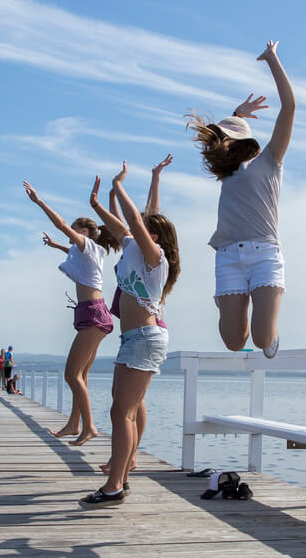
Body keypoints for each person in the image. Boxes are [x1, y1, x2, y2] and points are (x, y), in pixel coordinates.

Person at [80, 164, 180, 506]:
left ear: (154, 236)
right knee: (122, 409)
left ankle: (114, 485)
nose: (136, 229)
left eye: (143, 228)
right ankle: (120, 475)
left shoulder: (156, 257)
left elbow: (138, 221)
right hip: (133, 340)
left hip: (146, 339)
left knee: (122, 412)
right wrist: (97, 206)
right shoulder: (134, 249)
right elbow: (124, 224)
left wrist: (118, 185)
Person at [188, 39, 294, 358]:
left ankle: (270, 331)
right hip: (229, 255)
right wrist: (238, 113)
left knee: (261, 340)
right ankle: (248, 312)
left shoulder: (271, 160)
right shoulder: (226, 171)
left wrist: (272, 59)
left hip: (264, 253)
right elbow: (224, 136)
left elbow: (289, 107)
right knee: (234, 342)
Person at [25, 180, 120, 443]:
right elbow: (71, 249)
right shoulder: (92, 251)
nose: (72, 230)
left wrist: (39, 201)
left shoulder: (88, 245)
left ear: (85, 232)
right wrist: (57, 246)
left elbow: (61, 225)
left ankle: (89, 426)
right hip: (94, 313)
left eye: (76, 227)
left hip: (92, 314)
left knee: (71, 374)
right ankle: (73, 424)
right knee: (82, 374)